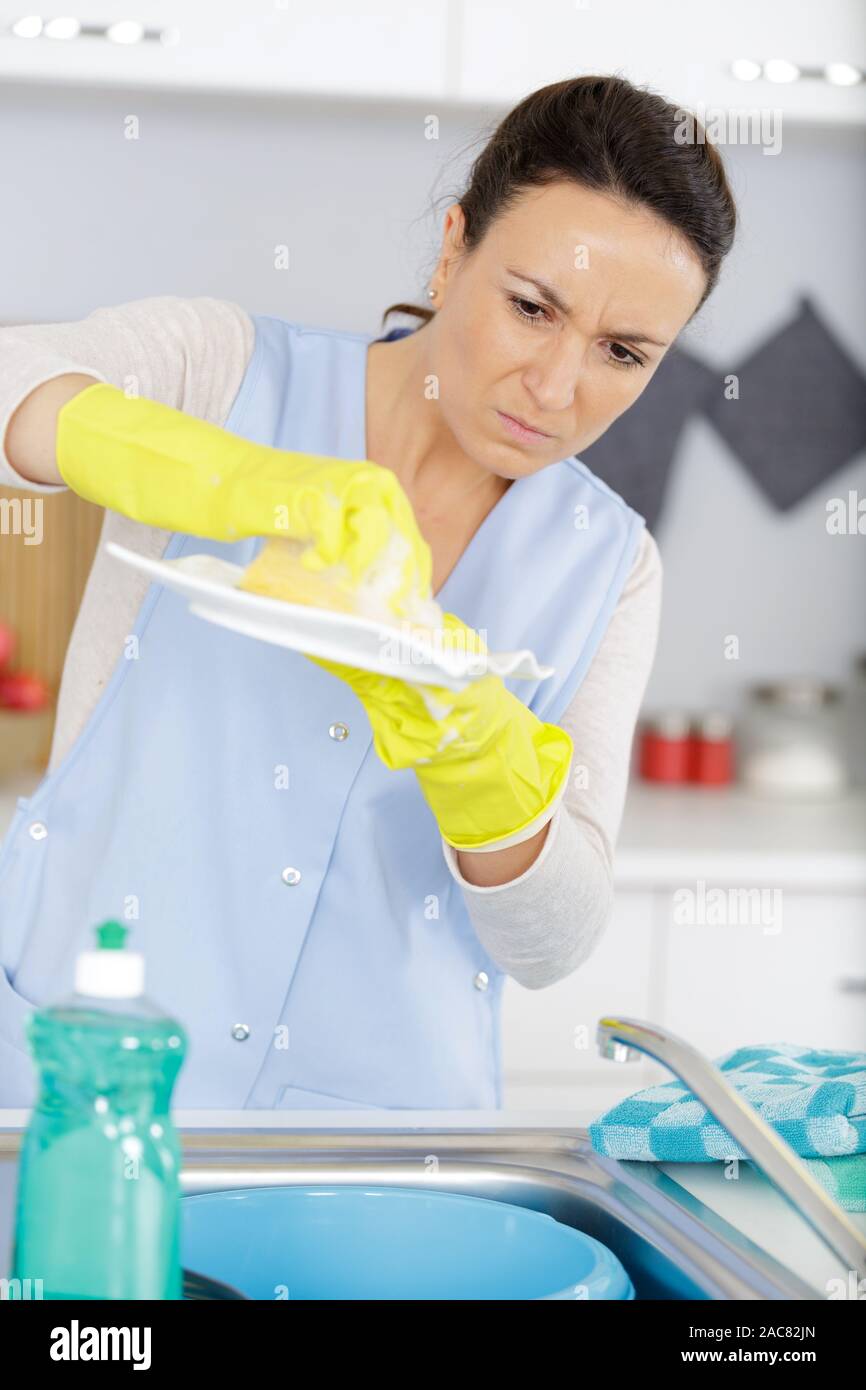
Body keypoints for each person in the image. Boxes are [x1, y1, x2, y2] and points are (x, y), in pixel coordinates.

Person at [0, 75, 736, 1110]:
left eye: (621, 353)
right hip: (86, 1081)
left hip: (378, 1152)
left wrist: (474, 746)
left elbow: (553, 941)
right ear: (451, 249)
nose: (557, 387)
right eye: (531, 307)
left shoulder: (609, 566)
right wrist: (240, 479)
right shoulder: (224, 371)